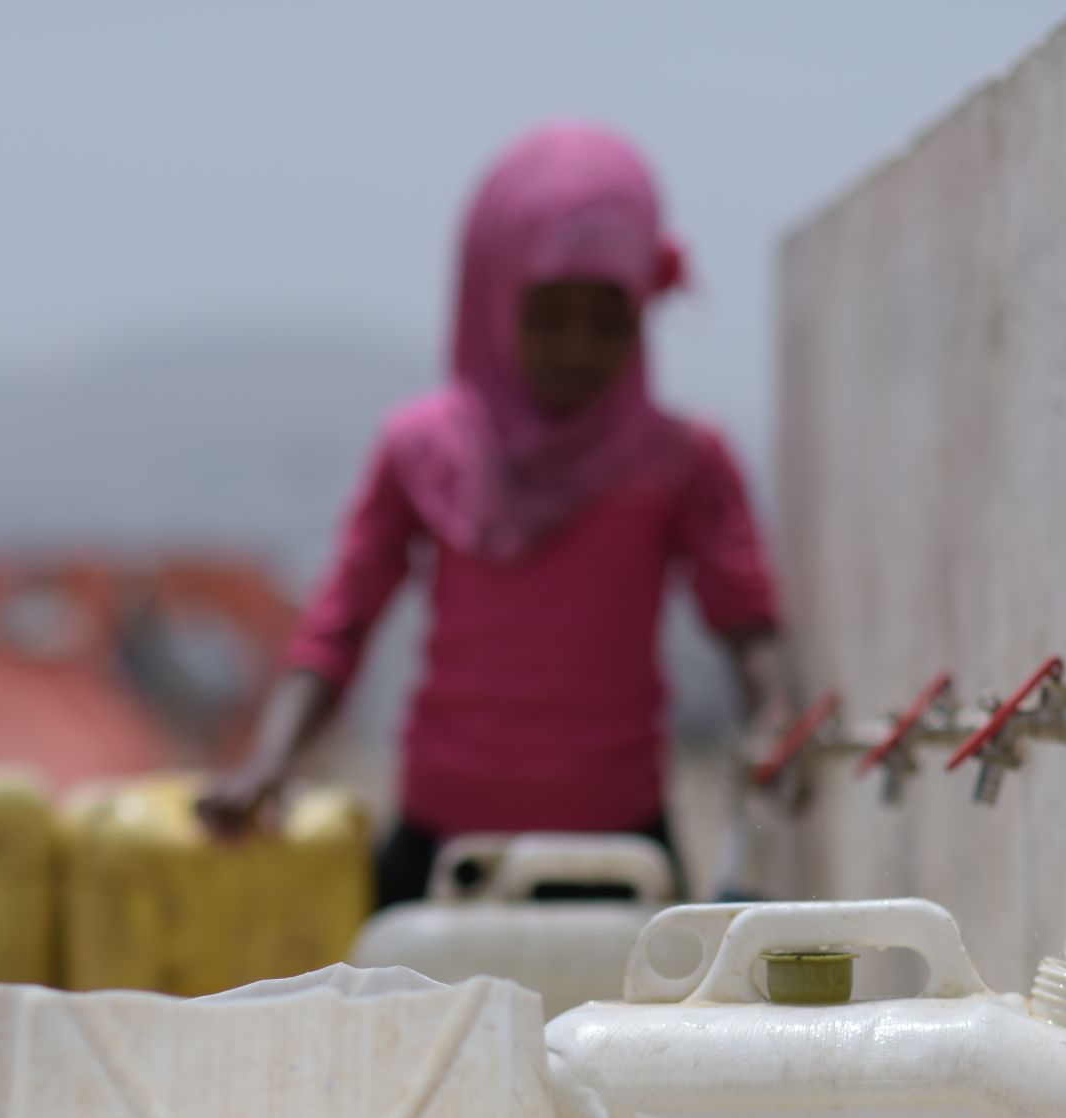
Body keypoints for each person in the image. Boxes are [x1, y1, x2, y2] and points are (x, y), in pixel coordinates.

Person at [200, 124, 792, 908]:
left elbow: (747, 623)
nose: (576, 349)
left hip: (617, 858)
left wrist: (774, 718)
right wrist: (268, 762)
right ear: (492, 299)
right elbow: (340, 624)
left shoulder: (682, 460)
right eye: (549, 316)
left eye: (607, 321)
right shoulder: (421, 450)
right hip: (441, 855)